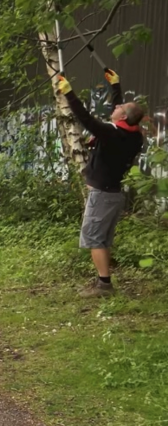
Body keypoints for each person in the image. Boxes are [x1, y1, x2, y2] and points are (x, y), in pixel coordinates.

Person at [56, 69, 144, 298]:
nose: (115, 107)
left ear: (123, 117)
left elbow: (85, 118)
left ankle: (104, 286)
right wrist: (116, 87)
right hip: (112, 195)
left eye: (118, 108)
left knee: (94, 239)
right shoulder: (134, 135)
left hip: (102, 196)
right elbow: (123, 114)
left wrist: (69, 93)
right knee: (102, 239)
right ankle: (103, 282)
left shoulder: (111, 134)